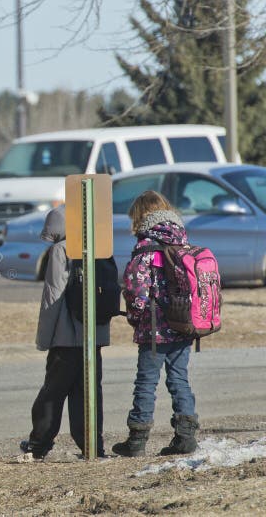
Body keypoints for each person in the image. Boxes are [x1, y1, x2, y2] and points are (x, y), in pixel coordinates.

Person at [112, 190, 200, 457]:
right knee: (179, 380)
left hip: (154, 330)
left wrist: (134, 318)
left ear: (139, 216)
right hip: (183, 323)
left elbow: (137, 292)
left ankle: (137, 440)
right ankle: (185, 437)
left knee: (146, 382)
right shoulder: (182, 243)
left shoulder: (145, 249)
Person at [19, 205, 109, 460]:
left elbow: (53, 297)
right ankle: (93, 446)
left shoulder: (61, 250)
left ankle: (39, 444)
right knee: (88, 393)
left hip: (66, 338)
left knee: (52, 392)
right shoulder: (99, 247)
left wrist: (44, 339)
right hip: (94, 337)